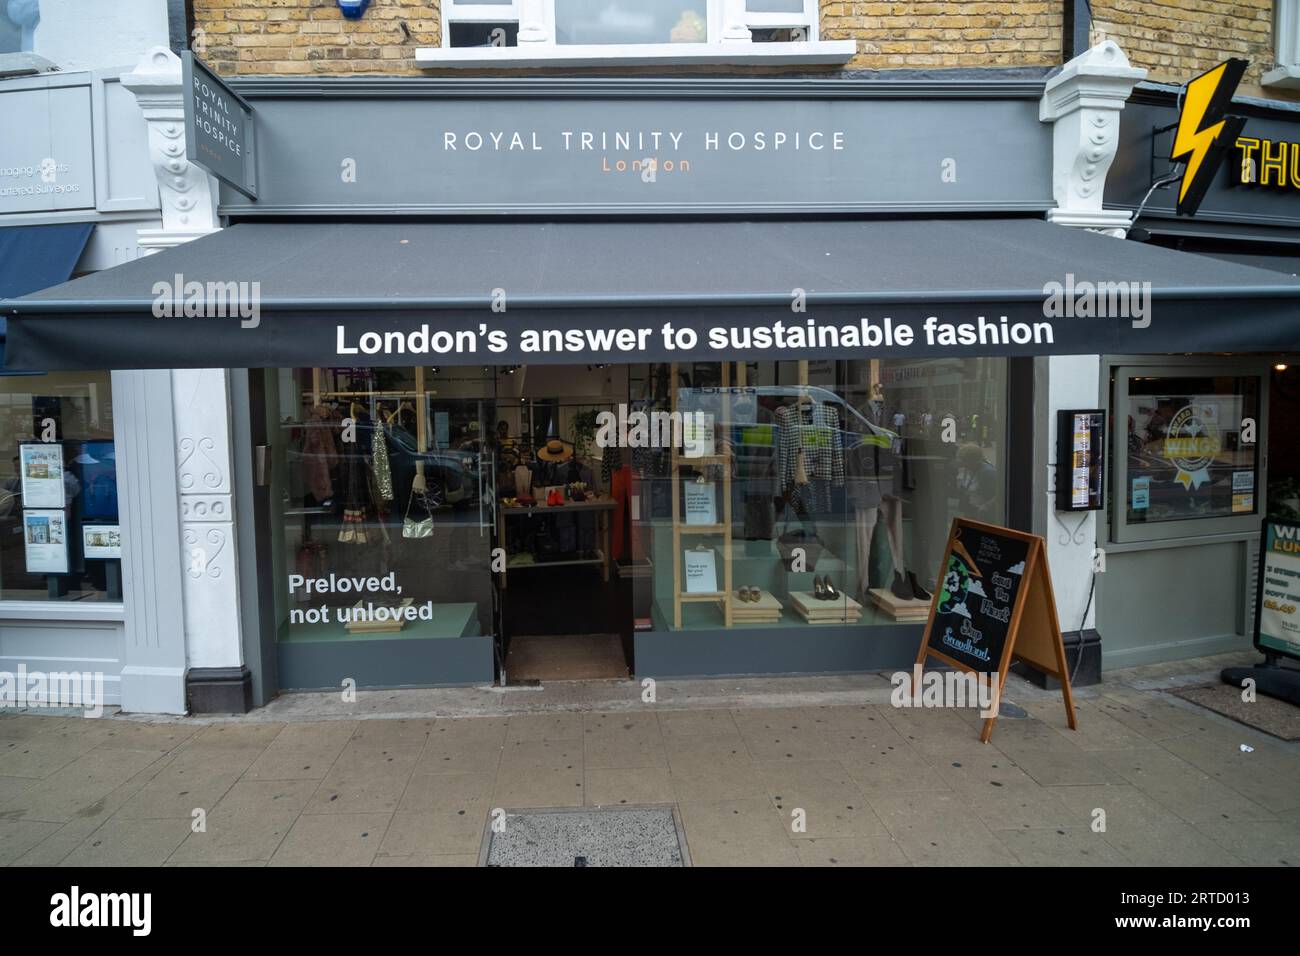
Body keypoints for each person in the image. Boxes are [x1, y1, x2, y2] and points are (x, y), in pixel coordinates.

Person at [955, 444, 998, 521]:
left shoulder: (987, 472)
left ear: (972, 461)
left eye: (964, 462)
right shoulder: (970, 469)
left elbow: (999, 494)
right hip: (972, 509)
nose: (963, 465)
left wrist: (986, 507)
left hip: (982, 513)